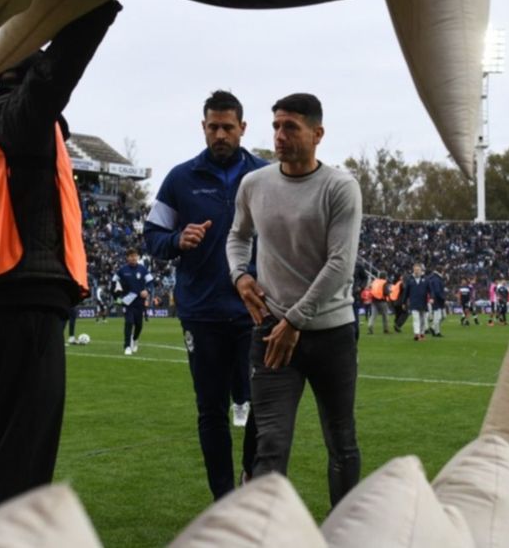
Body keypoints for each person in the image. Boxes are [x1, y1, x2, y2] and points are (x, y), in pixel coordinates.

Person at [0, 0, 119, 523]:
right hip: (20, 307)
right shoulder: (9, 119)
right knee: (20, 468)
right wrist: (96, 2)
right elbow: (52, 79)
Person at [226, 92, 363, 507]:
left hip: (331, 333)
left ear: (318, 134)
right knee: (270, 444)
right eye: (276, 126)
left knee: (341, 441)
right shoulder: (254, 184)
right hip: (272, 333)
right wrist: (239, 275)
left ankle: (346, 533)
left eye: (291, 127)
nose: (280, 135)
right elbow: (237, 236)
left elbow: (340, 263)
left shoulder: (340, 187)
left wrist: (297, 321)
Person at [143, 89, 265, 500]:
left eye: (228, 127)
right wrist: (178, 239)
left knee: (262, 406)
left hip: (256, 310)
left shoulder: (266, 175)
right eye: (213, 127)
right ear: (203, 127)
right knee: (210, 410)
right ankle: (223, 499)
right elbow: (152, 236)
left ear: (242, 128)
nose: (220, 134)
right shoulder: (181, 178)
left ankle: (250, 476)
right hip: (203, 311)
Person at [113, 249, 153, 355]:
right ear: (127, 257)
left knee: (139, 325)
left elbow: (151, 282)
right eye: (131, 256)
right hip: (127, 302)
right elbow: (113, 283)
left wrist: (147, 290)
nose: (133, 258)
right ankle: (127, 346)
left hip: (139, 302)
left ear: (138, 257)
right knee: (129, 322)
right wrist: (117, 299)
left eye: (135, 256)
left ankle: (135, 340)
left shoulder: (143, 269)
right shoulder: (122, 270)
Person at [405, 264, 430, 341]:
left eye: (418, 270)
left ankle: (422, 333)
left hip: (423, 302)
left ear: (421, 270)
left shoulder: (426, 279)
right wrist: (403, 302)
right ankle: (416, 334)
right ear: (413, 270)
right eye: (415, 270)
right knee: (416, 319)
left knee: (423, 319)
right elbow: (406, 292)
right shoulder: (410, 280)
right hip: (414, 302)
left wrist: (432, 298)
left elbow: (430, 290)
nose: (416, 271)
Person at [427, 267, 446, 337]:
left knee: (440, 316)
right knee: (438, 316)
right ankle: (436, 331)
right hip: (437, 300)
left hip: (436, 299)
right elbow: (437, 291)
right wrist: (443, 298)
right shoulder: (436, 279)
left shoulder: (433, 278)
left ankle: (434, 329)